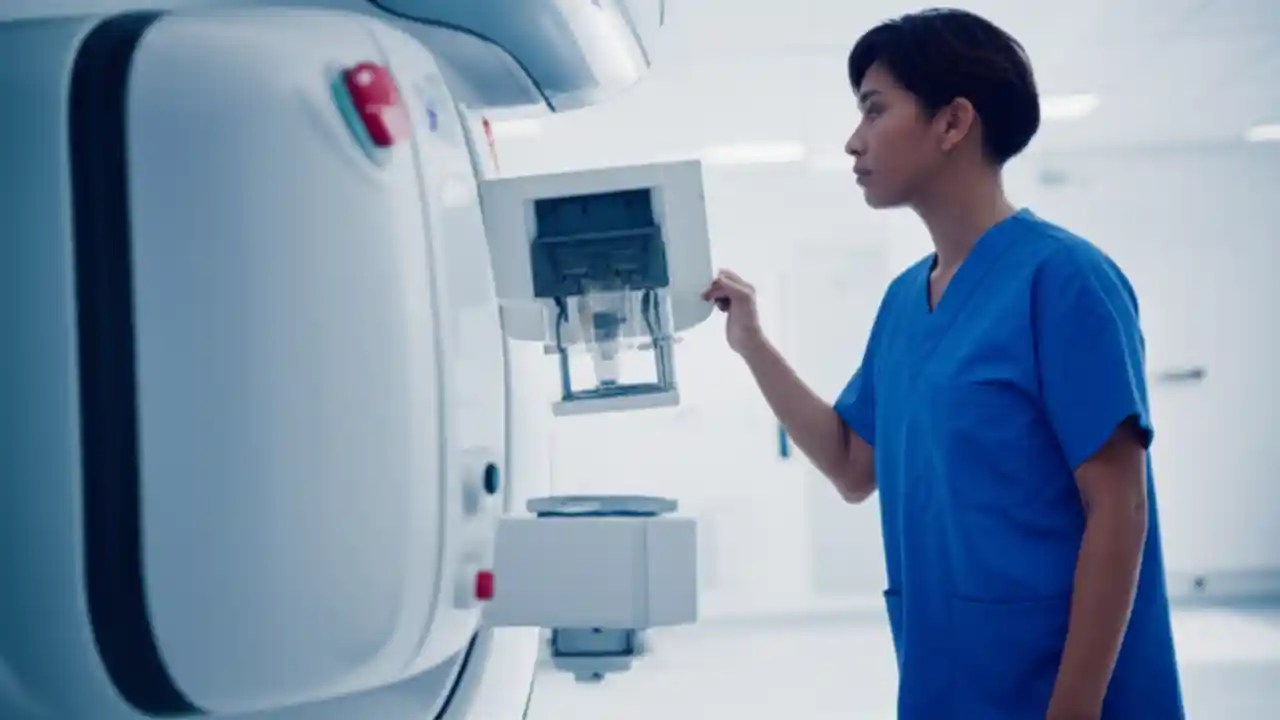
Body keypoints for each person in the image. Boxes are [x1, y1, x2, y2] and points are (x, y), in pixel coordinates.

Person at [702, 8, 1184, 720]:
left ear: (953, 122)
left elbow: (1119, 508)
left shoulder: (1065, 280)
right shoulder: (906, 302)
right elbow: (851, 465)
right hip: (949, 681)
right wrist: (752, 343)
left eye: (875, 110)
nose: (853, 140)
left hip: (1059, 691)